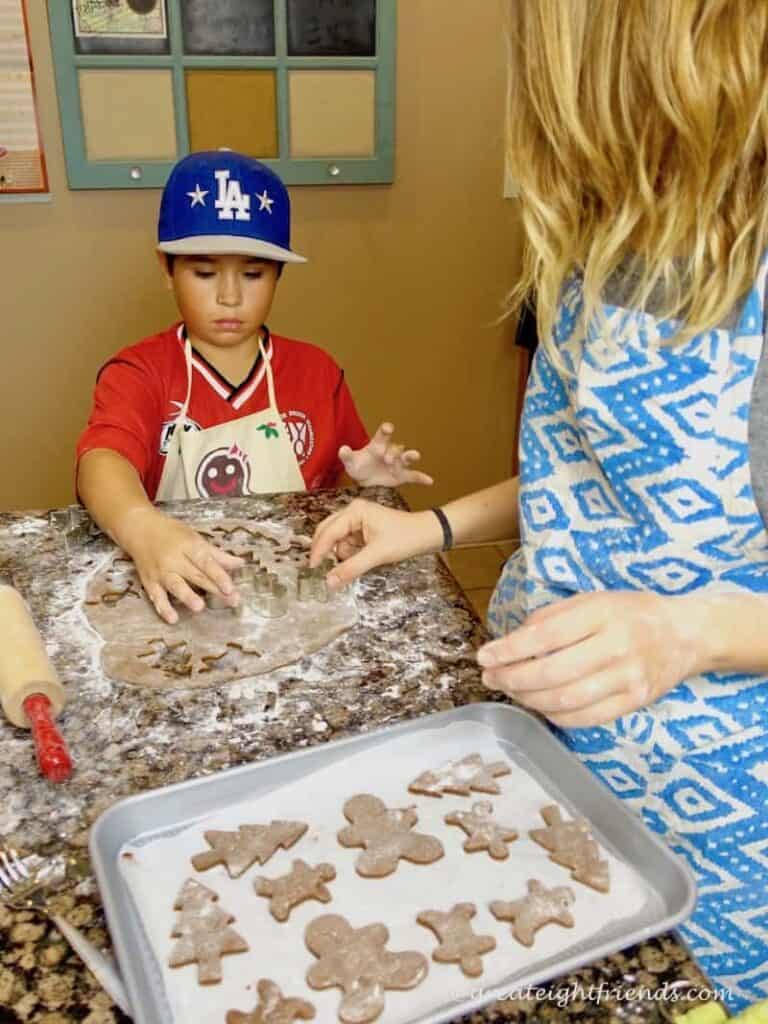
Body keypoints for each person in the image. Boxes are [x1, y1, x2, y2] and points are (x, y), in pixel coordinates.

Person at [309, 0, 768, 1011]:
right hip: (542, 745)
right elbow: (595, 478)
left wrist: (688, 630)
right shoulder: (601, 233)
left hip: (716, 830)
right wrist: (429, 527)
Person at [77, 150, 432, 625]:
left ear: (278, 274)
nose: (229, 296)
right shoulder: (141, 373)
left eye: (252, 273)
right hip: (181, 599)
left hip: (292, 600)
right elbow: (101, 463)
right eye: (204, 273)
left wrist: (365, 489)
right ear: (166, 268)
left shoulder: (316, 373)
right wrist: (141, 527)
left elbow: (337, 501)